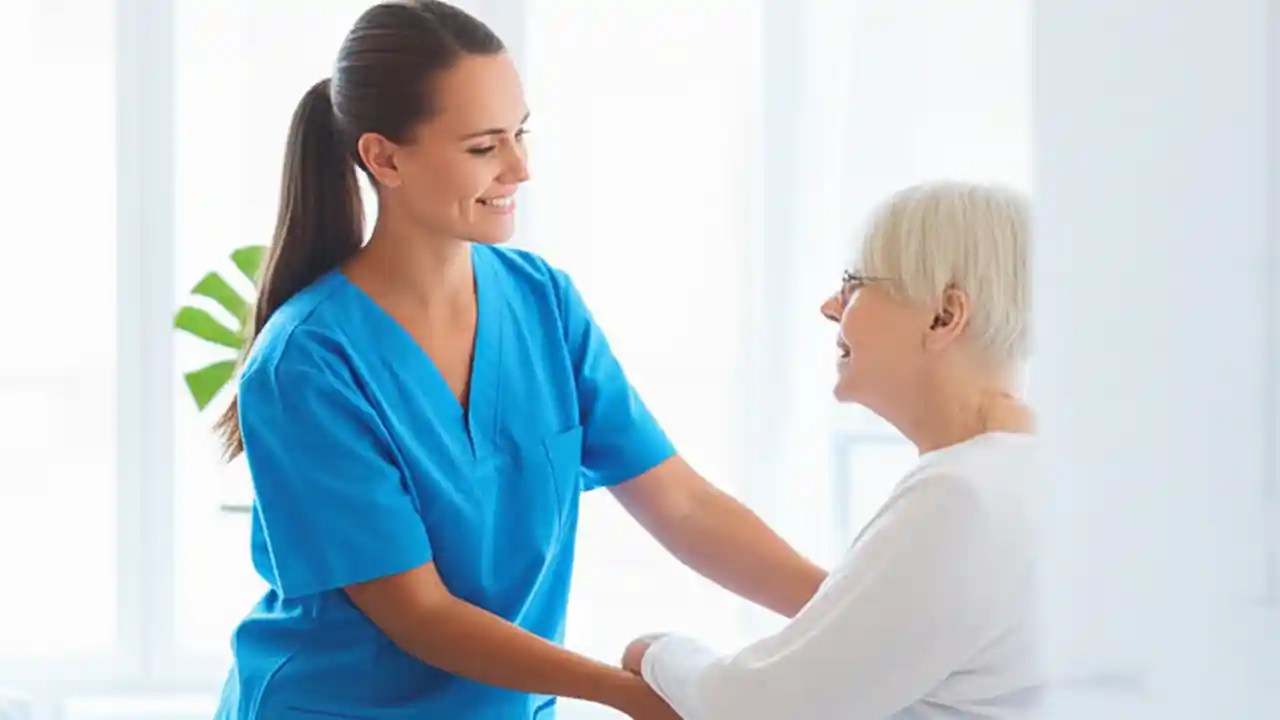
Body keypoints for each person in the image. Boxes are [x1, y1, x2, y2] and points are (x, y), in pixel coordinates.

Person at [211, 2, 826, 719]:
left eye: (521, 134)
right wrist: (636, 696)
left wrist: (855, 617)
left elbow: (681, 503)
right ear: (384, 158)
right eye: (483, 147)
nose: (520, 168)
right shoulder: (306, 365)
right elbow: (419, 613)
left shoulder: (542, 303)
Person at [623, 182, 1044, 718]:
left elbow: (760, 707)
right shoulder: (1043, 477)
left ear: (943, 315)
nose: (829, 307)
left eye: (854, 284)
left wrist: (656, 653)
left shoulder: (962, 494)